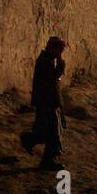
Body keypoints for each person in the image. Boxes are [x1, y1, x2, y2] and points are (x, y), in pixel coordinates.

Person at [21, 37, 66, 170]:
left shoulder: (47, 60)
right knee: (52, 132)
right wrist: (61, 63)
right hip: (46, 102)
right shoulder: (45, 62)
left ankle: (33, 143)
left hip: (48, 102)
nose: (60, 53)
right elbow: (54, 78)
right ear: (54, 49)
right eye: (59, 50)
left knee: (50, 131)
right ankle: (45, 158)